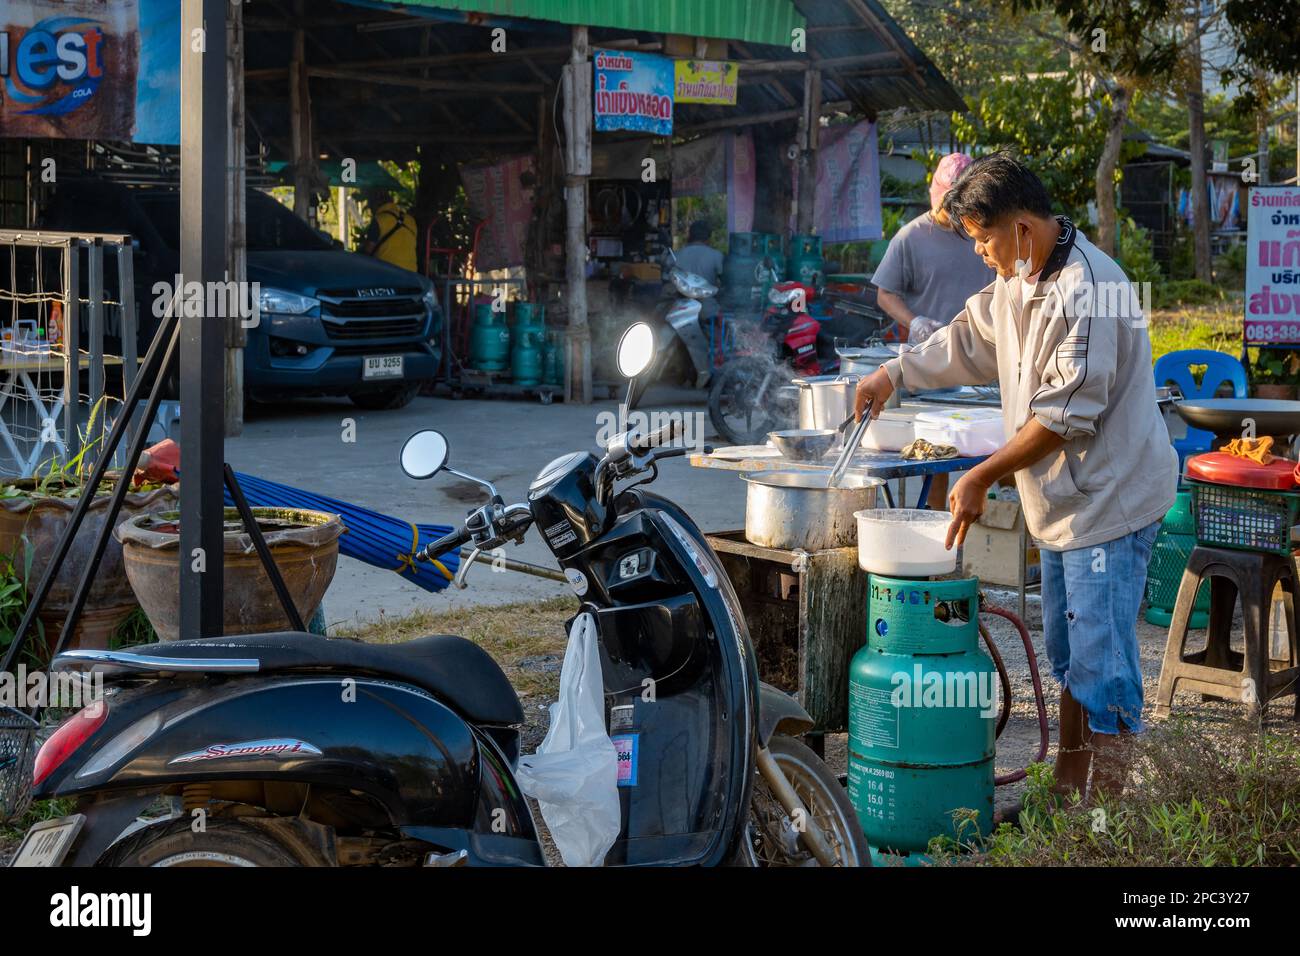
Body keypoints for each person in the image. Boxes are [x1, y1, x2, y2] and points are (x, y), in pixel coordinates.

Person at [853, 152, 1177, 804]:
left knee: (1104, 670)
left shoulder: (1090, 289)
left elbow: (1063, 418)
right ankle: (1066, 794)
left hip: (1108, 506)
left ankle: (1108, 826)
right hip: (1061, 506)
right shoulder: (1017, 280)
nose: (980, 254)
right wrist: (893, 374)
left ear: (1023, 228)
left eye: (983, 238)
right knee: (1070, 657)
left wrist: (981, 475)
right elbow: (963, 340)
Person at [873, 152, 995, 508]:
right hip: (932, 362)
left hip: (984, 358)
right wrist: (916, 322)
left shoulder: (982, 233)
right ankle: (935, 519)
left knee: (994, 446)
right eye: (947, 203)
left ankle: (996, 532)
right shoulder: (911, 237)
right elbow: (885, 294)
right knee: (937, 454)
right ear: (934, 193)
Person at [362, 188, 418, 273]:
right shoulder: (410, 220)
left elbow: (367, 251)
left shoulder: (379, 220)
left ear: (374, 204)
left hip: (388, 276)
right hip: (412, 275)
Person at [674, 220, 725, 287]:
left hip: (682, 296)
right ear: (708, 237)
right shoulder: (717, 255)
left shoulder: (677, 254)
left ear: (690, 236)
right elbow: (724, 279)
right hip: (708, 296)